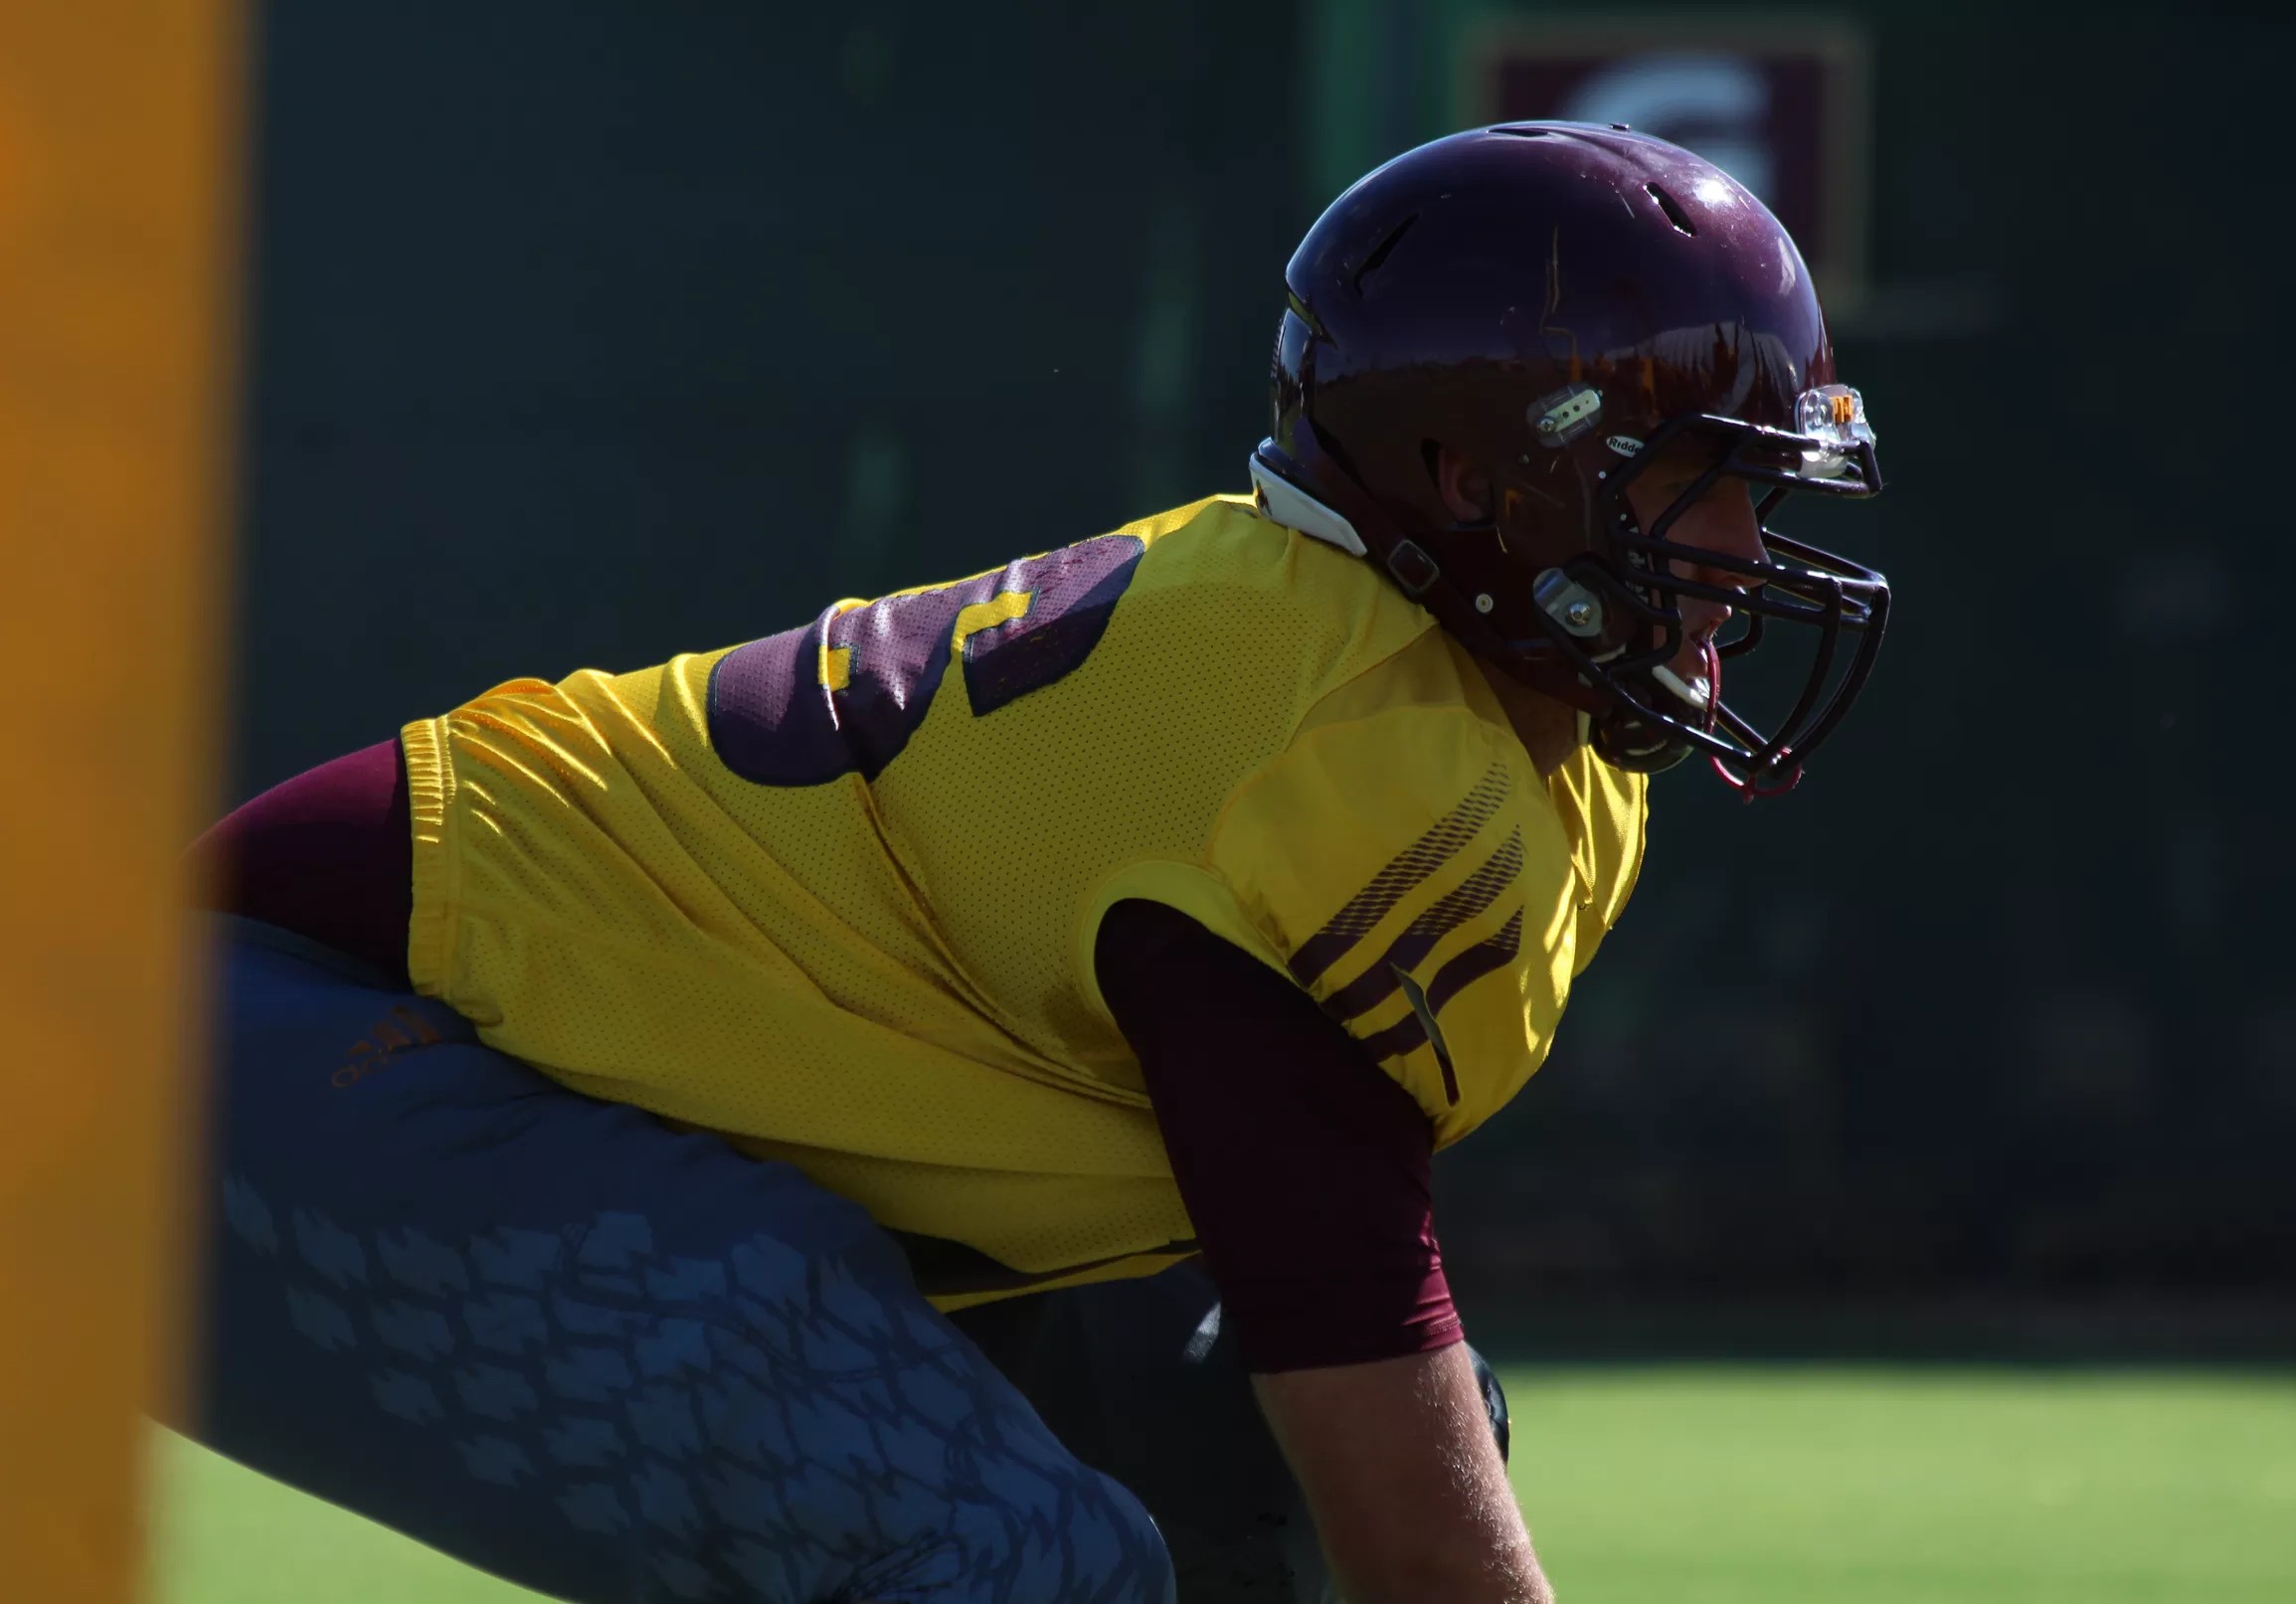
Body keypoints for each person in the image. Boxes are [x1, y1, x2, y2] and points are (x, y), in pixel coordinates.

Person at [186, 122, 1887, 1604]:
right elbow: (1419, 1539)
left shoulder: (1440, 697)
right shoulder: (1348, 756)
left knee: (1242, 1477)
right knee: (1017, 1562)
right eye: (1684, 483)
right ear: (1469, 478)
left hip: (505, 1057)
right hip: (244, 1060)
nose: (1742, 554)